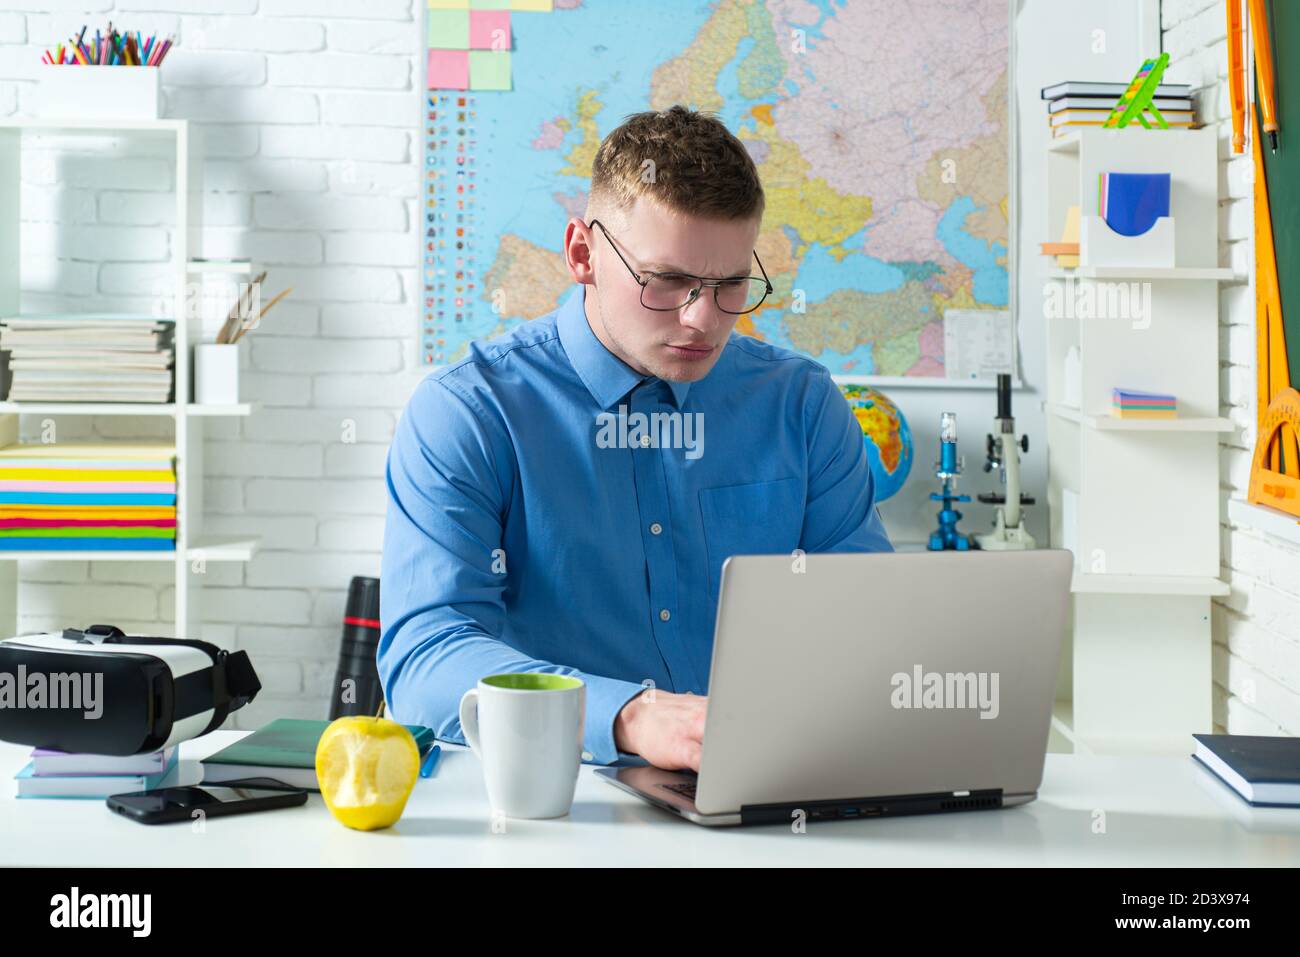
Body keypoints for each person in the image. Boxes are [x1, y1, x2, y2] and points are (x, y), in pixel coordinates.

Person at [379, 105, 892, 773]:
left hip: (765, 790)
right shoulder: (470, 414)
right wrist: (627, 716)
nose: (703, 319)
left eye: (731, 283)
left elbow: (870, 621)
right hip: (556, 808)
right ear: (582, 254)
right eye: (668, 281)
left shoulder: (800, 404)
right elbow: (426, 660)